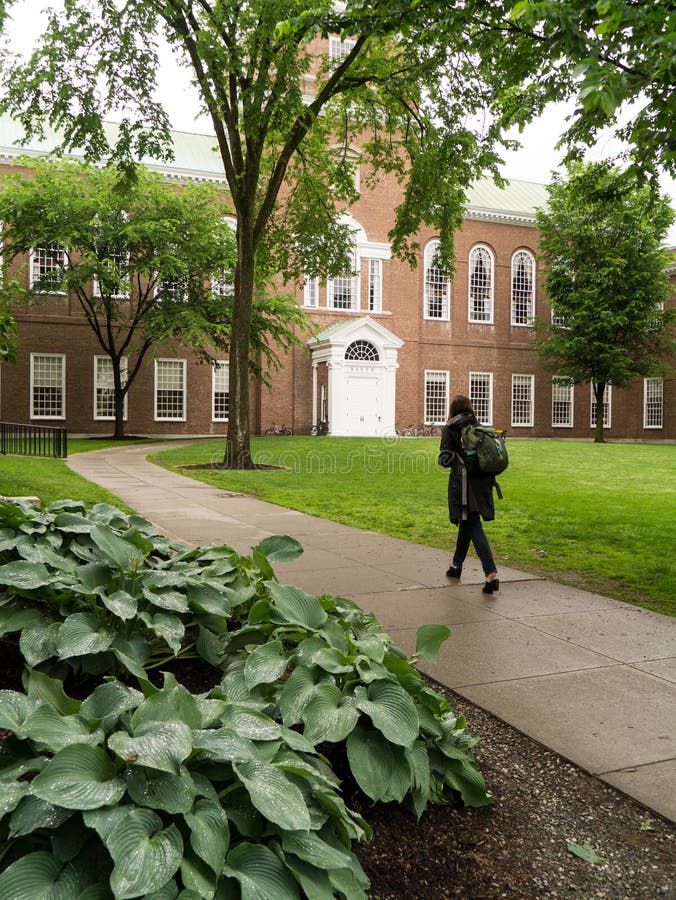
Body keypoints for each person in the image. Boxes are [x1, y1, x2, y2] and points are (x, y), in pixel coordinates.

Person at [438, 394, 500, 593]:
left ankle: (491, 574)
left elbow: (444, 459)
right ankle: (456, 566)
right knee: (467, 522)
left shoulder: (451, 428)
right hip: (483, 483)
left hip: (464, 483)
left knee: (472, 523)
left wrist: (450, 457)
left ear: (453, 409)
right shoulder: (477, 426)